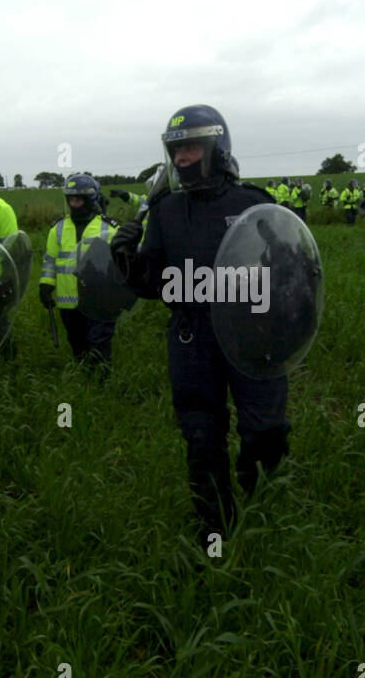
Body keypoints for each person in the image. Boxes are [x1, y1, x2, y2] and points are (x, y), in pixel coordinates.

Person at [111, 104, 289, 543]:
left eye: (190, 147)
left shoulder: (253, 203)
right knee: (201, 435)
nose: (182, 157)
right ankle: (215, 527)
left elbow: (286, 266)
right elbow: (155, 283)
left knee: (266, 431)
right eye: (175, 150)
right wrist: (128, 260)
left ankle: (259, 500)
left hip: (252, 331)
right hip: (192, 337)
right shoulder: (166, 211)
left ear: (216, 147)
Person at [38, 174, 119, 377]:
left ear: (91, 199)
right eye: (71, 199)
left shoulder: (109, 228)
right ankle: (84, 378)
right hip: (69, 301)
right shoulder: (57, 229)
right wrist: (46, 284)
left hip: (99, 301)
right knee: (77, 342)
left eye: (79, 199)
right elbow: (50, 260)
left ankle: (101, 383)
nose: (74, 203)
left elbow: (122, 262)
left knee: (99, 343)